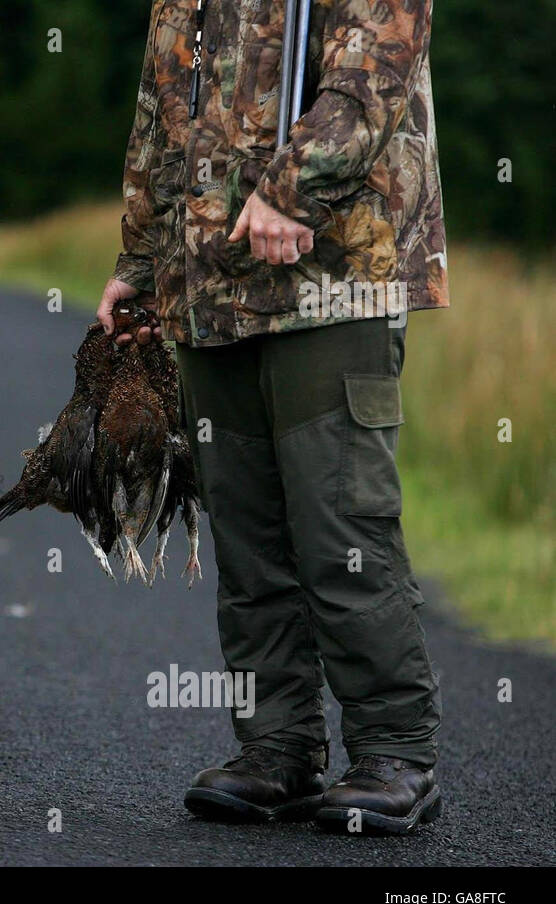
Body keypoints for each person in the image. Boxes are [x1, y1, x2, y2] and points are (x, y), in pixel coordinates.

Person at [97, 0, 448, 833]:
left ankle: (395, 751)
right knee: (248, 532)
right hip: (212, 290)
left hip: (331, 277)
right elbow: (163, 111)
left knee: (341, 524)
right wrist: (140, 264)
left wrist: (293, 192)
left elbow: (373, 69)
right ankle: (278, 749)